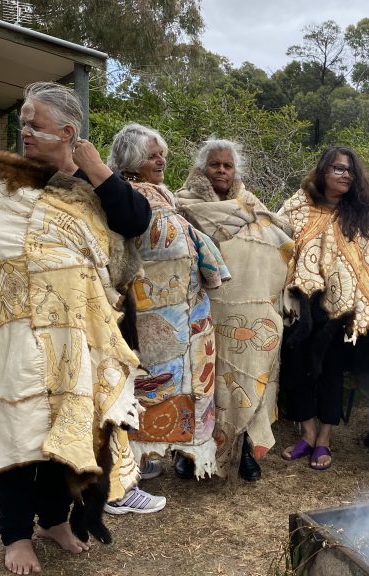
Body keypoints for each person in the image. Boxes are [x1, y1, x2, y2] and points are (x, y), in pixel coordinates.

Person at [0, 82, 158, 575]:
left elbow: (135, 223)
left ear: (68, 132)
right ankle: (15, 535)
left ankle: (54, 519)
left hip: (76, 332)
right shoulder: (7, 178)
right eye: (22, 123)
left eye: (35, 125)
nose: (24, 132)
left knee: (66, 426)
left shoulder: (91, 185)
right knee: (17, 424)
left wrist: (93, 168)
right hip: (12, 326)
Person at [278, 146, 369, 470]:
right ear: (323, 172)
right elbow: (277, 237)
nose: (345, 175)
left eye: (349, 170)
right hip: (302, 303)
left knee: (331, 370)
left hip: (343, 310)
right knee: (296, 368)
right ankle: (306, 433)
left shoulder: (363, 212)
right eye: (337, 168)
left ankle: (324, 439)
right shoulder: (299, 206)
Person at [106, 124, 230, 485]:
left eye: (162, 153)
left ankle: (174, 449)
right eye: (152, 154)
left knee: (186, 385)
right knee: (151, 383)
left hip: (187, 313)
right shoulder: (125, 197)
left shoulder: (161, 195)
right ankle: (138, 457)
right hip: (152, 314)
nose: (161, 159)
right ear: (131, 160)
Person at [174, 139, 293, 482]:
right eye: (215, 165)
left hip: (247, 312)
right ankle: (191, 452)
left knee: (245, 381)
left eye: (228, 166)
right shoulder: (184, 206)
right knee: (198, 383)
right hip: (201, 309)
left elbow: (280, 238)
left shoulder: (252, 206)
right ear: (202, 168)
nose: (222, 171)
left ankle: (244, 450)